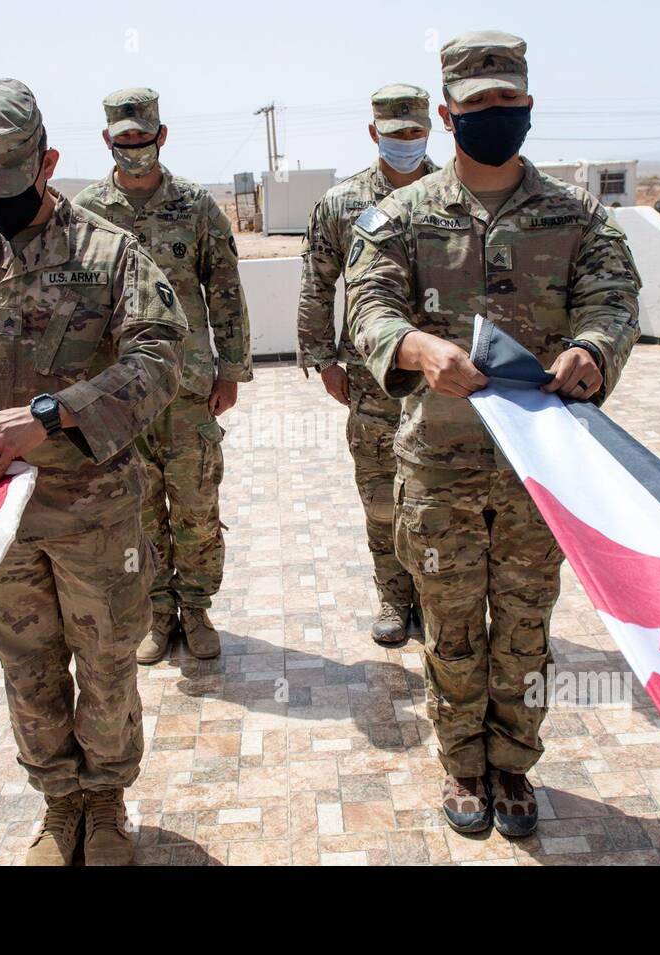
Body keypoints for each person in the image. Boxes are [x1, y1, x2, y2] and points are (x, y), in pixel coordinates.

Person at [0, 79, 188, 866]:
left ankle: (107, 801)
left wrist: (53, 414)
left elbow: (161, 357)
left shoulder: (109, 253)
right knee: (28, 665)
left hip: (92, 513)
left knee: (110, 660)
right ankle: (59, 805)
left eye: (12, 186)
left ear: (47, 162)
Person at [344, 31, 642, 837]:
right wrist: (415, 346)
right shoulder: (401, 218)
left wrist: (594, 347)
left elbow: (615, 296)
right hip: (438, 466)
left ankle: (512, 764)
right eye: (478, 105)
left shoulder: (574, 215)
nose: (495, 115)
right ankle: (461, 762)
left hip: (537, 468)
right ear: (448, 114)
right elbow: (365, 306)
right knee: (449, 624)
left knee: (522, 626)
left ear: (529, 107)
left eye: (508, 103)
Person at [74, 88, 252, 664]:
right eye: (123, 141)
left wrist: (230, 370)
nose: (134, 150)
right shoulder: (86, 213)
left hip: (188, 385)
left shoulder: (197, 207)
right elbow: (75, 305)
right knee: (139, 507)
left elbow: (224, 292)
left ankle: (197, 610)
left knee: (197, 506)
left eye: (143, 139)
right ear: (108, 141)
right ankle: (158, 612)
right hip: (120, 392)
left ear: (162, 136)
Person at [296, 83, 438, 646]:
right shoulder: (342, 202)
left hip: (440, 381)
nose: (404, 141)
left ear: (429, 130)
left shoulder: (452, 194)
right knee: (381, 496)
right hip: (369, 377)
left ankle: (432, 597)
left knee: (436, 495)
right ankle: (393, 597)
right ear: (373, 131)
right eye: (393, 131)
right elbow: (316, 282)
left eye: (414, 131)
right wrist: (320, 356)